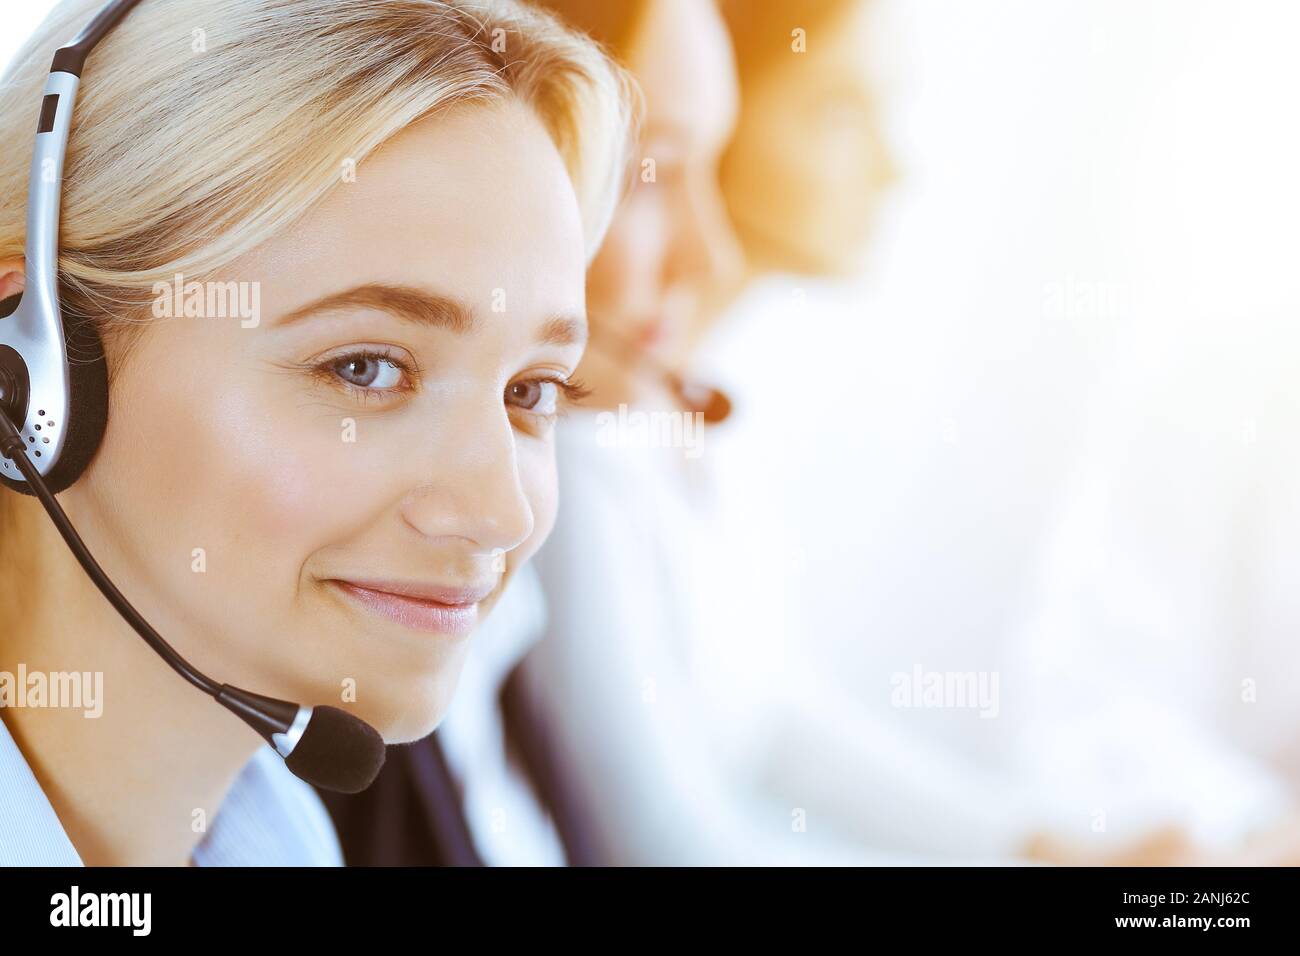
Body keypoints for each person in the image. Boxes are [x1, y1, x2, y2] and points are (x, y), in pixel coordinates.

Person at [0, 0, 633, 866]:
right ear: (29, 371)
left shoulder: (281, 838)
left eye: (531, 390)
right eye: (366, 368)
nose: (500, 513)